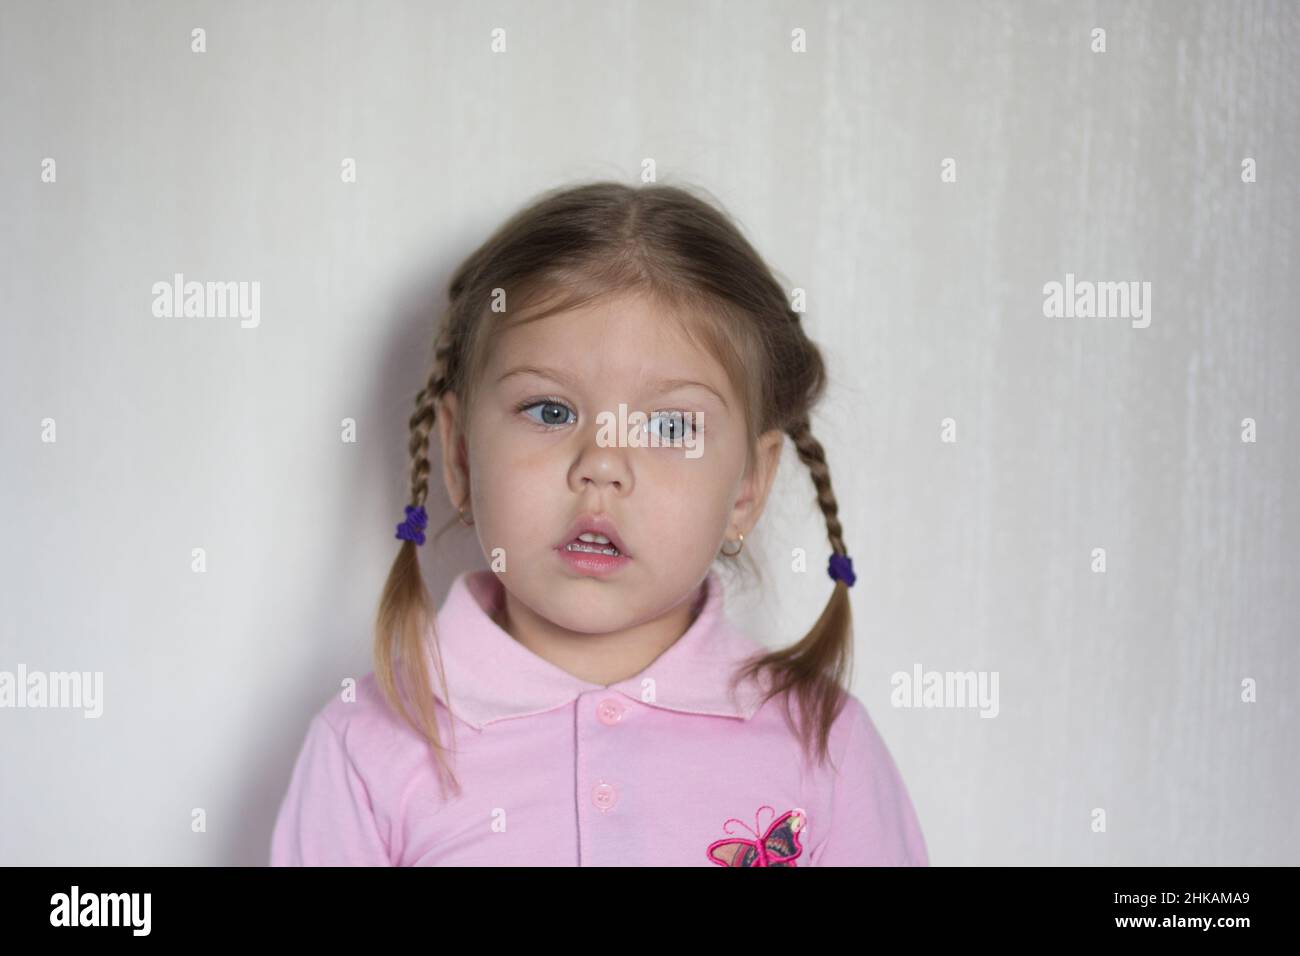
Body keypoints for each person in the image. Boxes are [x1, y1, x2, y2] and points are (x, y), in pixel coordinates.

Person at [270, 180, 928, 866]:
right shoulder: (367, 745)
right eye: (550, 411)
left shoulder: (825, 748)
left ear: (748, 487)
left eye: (672, 426)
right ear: (460, 456)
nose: (601, 464)